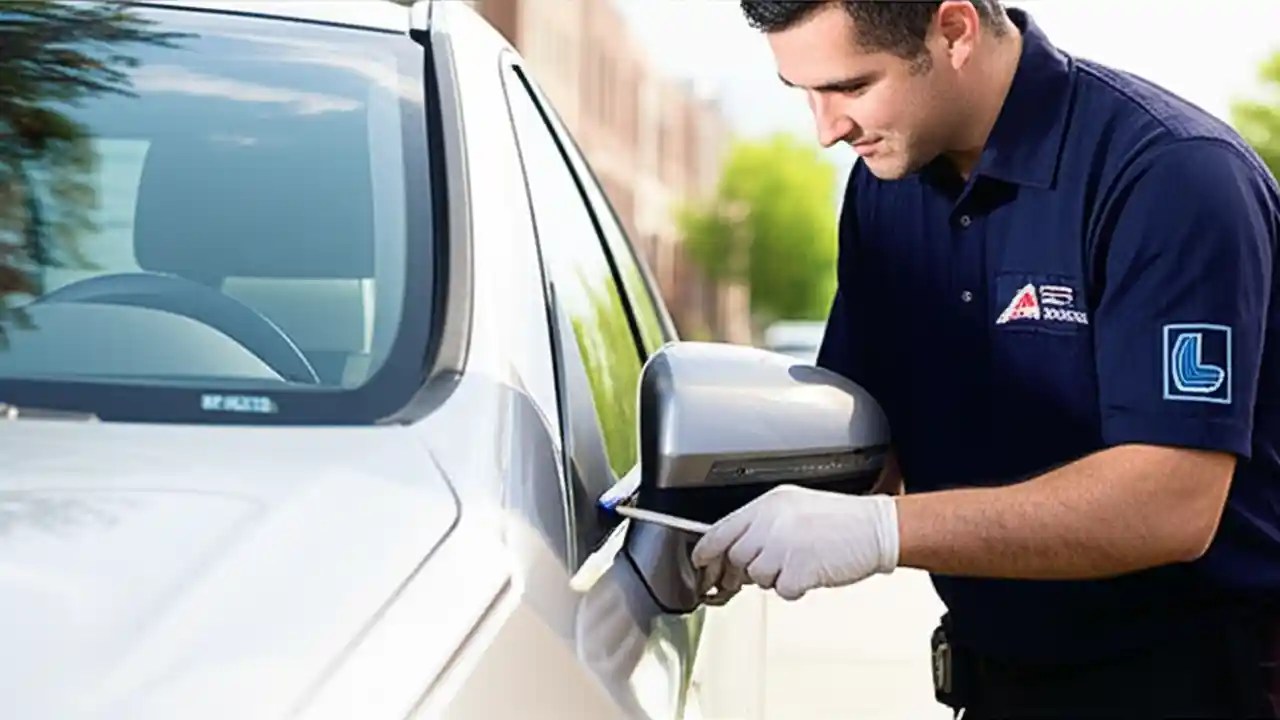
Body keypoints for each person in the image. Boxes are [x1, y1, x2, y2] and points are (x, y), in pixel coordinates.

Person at [689, 1, 1280, 717]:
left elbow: (1172, 504)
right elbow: (859, 451)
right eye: (804, 94)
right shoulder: (885, 190)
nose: (826, 130)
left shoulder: (1170, 177)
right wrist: (697, 497)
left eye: (850, 88)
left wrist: (883, 535)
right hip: (994, 684)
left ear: (955, 30)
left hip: (1208, 686)